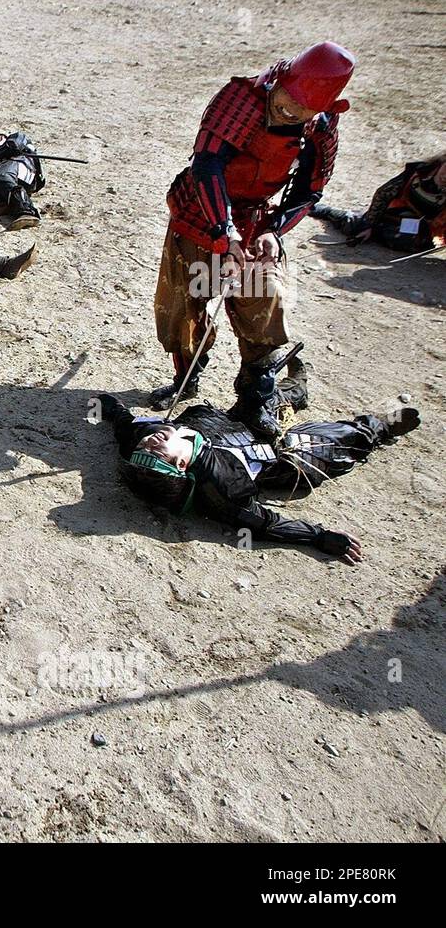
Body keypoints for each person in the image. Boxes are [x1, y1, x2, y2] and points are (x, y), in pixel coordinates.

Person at [149, 41, 355, 439]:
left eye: (303, 114)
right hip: (199, 212)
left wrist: (274, 231)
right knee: (181, 305)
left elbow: (309, 190)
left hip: (257, 220)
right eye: (284, 107)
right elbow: (207, 165)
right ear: (278, 83)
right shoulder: (240, 99)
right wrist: (223, 233)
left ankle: (254, 398)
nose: (291, 116)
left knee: (265, 299)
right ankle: (186, 376)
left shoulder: (322, 128)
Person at [98, 384, 419, 565]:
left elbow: (122, 421)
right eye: (156, 452)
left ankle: (295, 391)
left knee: (263, 396)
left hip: (229, 420)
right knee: (326, 445)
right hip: (270, 457)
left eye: (145, 447)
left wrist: (108, 406)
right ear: (181, 465)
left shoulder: (140, 440)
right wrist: (318, 536)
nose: (150, 442)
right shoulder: (222, 489)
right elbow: (265, 523)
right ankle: (378, 427)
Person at [311, 151, 446, 253]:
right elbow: (383, 195)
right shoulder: (417, 173)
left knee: (408, 242)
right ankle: (327, 211)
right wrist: (369, 225)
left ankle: (375, 232)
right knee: (356, 226)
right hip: (391, 214)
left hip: (421, 230)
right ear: (442, 162)